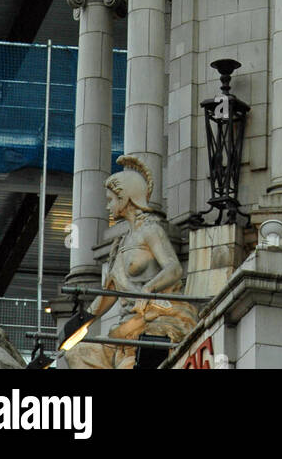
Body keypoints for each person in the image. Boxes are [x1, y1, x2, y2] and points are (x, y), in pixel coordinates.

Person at [63, 155, 197, 370]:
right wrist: (81, 321)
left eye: (110, 200)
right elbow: (111, 292)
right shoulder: (120, 244)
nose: (108, 207)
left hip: (157, 319)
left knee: (131, 363)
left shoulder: (150, 230)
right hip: (126, 326)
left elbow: (174, 268)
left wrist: (148, 289)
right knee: (77, 354)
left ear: (125, 198)